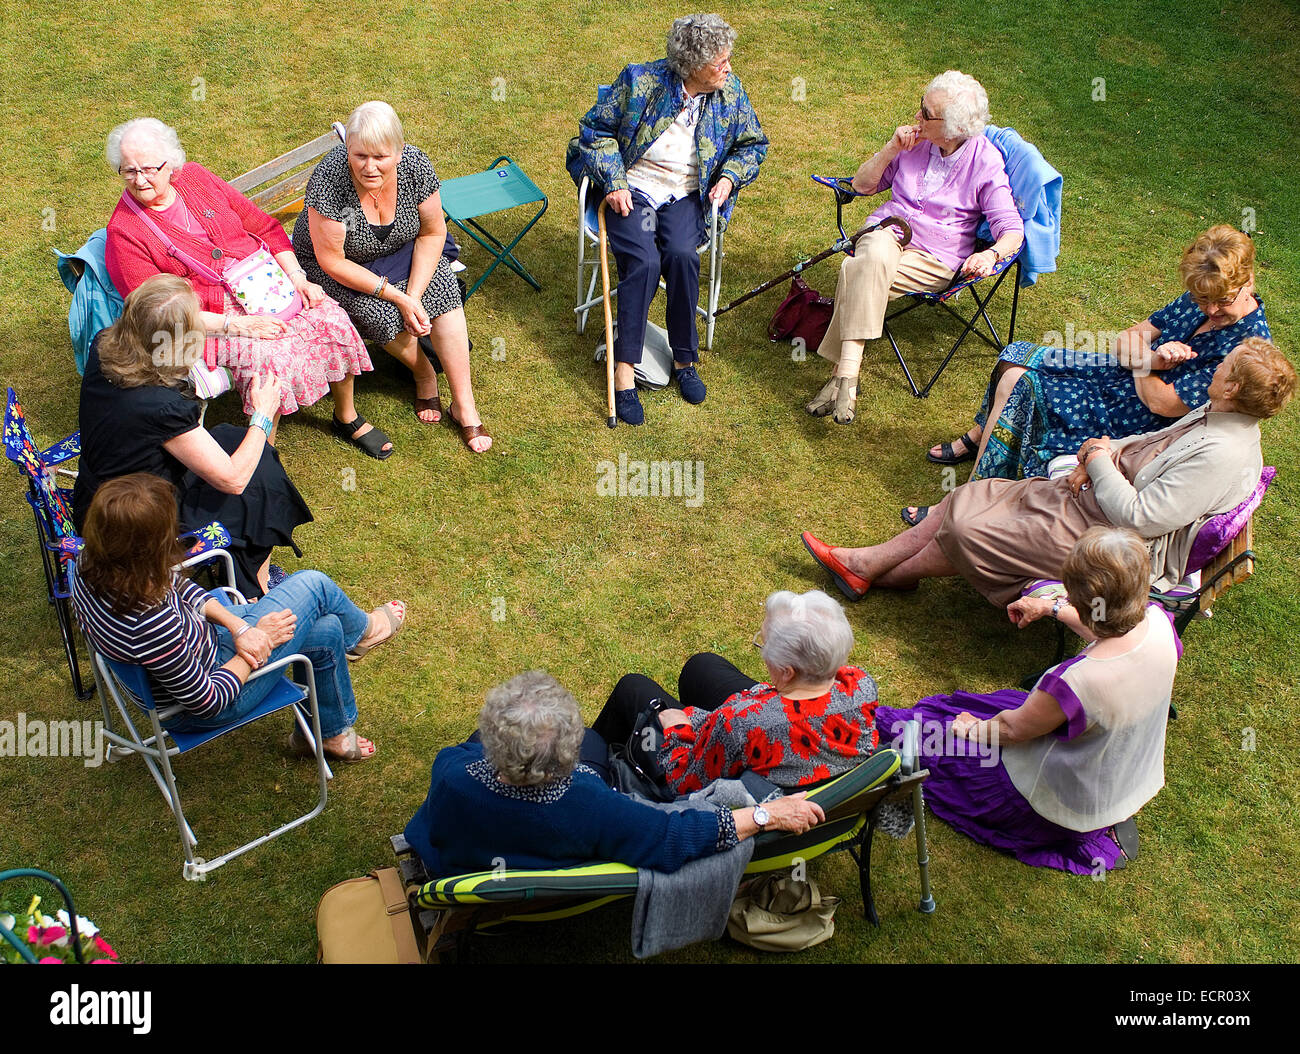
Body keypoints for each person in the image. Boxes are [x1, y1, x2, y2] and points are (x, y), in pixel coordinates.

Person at [802, 338, 1294, 608]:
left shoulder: (1222, 453)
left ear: (1230, 387)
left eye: (1221, 366)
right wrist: (1101, 453)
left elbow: (1142, 519)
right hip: (1096, 505)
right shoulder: (1219, 415)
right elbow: (1142, 443)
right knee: (974, 497)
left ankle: (873, 569)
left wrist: (1098, 463)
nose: (1213, 368)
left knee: (969, 525)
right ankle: (869, 567)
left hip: (1112, 547)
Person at [875, 528, 1177, 873]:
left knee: (926, 733)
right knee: (992, 710)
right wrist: (1050, 609)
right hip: (1119, 779)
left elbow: (1013, 730)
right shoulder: (1160, 625)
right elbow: (1112, 629)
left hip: (1055, 803)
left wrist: (970, 729)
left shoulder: (1074, 684)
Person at [103, 118, 387, 458]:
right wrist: (236, 325)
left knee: (332, 318)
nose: (140, 179)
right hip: (205, 317)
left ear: (171, 164)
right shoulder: (125, 231)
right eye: (129, 171)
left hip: (264, 283)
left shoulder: (195, 177)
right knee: (270, 358)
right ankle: (262, 453)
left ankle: (346, 415)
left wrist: (299, 278)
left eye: (149, 168)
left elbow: (263, 227)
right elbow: (156, 311)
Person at [71, 474, 404, 762]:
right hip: (210, 694)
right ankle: (364, 632)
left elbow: (176, 585)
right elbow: (208, 701)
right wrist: (258, 645)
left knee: (326, 627)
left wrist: (240, 627)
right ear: (150, 549)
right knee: (314, 586)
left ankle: (323, 734)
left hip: (203, 643)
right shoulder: (153, 625)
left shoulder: (89, 562)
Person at [925, 225, 1270, 491]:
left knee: (1020, 382)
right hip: (1121, 378)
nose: (1210, 309)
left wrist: (1142, 361)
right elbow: (1125, 340)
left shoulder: (1246, 348)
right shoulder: (1204, 292)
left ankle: (976, 491)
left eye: (1222, 300)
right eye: (1201, 299)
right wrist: (1150, 360)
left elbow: (1162, 403)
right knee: (1013, 354)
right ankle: (980, 436)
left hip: (1134, 419)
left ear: (1248, 281)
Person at [404, 670, 823, 876]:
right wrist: (767, 815)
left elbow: (470, 748)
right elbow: (672, 837)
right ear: (566, 757)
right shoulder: (588, 804)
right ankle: (615, 755)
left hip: (460, 865)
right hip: (557, 821)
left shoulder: (451, 772)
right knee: (596, 740)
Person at [565, 13, 768, 425]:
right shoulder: (641, 82)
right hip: (635, 187)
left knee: (681, 254)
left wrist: (729, 177)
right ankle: (624, 374)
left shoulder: (731, 93)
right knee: (644, 261)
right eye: (720, 62)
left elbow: (753, 144)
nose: (728, 68)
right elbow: (593, 131)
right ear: (693, 66)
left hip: (688, 194)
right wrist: (615, 181)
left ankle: (684, 361)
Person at [72, 275, 312, 599]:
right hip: (138, 523)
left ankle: (249, 569)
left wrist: (237, 325)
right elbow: (233, 480)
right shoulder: (161, 405)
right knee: (257, 480)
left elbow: (165, 320)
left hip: (97, 495)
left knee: (230, 437)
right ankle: (255, 586)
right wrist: (263, 415)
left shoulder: (107, 344)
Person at [807, 71, 1024, 424]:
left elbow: (1012, 230)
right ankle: (848, 376)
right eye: (920, 107)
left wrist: (990, 254)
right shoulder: (915, 143)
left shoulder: (985, 162)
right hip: (888, 232)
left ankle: (840, 378)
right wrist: (892, 147)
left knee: (855, 269)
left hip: (936, 258)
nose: (917, 117)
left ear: (953, 129)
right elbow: (861, 185)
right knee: (874, 252)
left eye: (926, 113)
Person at [292, 101, 491, 452]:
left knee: (444, 289)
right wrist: (398, 297)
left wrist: (412, 293)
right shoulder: (329, 182)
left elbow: (432, 233)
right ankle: (424, 373)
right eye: (360, 156)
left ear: (399, 152)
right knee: (379, 313)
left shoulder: (416, 165)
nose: (369, 167)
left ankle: (464, 405)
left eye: (380, 157)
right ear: (347, 150)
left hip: (400, 247)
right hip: (342, 264)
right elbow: (332, 261)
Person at [593, 590, 880, 794]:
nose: (763, 652)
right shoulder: (861, 686)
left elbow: (683, 782)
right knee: (702, 666)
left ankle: (592, 771)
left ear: (787, 672)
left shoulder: (740, 726)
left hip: (735, 777)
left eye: (763, 646)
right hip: (805, 759)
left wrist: (678, 729)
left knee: (632, 688)